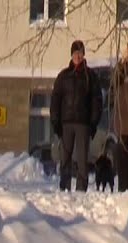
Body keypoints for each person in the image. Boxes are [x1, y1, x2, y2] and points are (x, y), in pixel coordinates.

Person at [51, 39, 102, 192]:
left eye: (80, 53)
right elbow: (55, 99)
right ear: (71, 55)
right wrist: (55, 121)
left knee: (82, 160)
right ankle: (64, 187)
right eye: (75, 53)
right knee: (65, 158)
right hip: (66, 123)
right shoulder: (63, 76)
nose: (77, 56)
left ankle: (81, 189)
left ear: (84, 55)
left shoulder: (90, 76)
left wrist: (93, 123)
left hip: (83, 123)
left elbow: (97, 100)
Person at [113, 33, 128, 191]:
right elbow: (115, 82)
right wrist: (124, 63)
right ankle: (123, 197)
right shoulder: (122, 66)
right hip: (123, 124)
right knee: (123, 165)